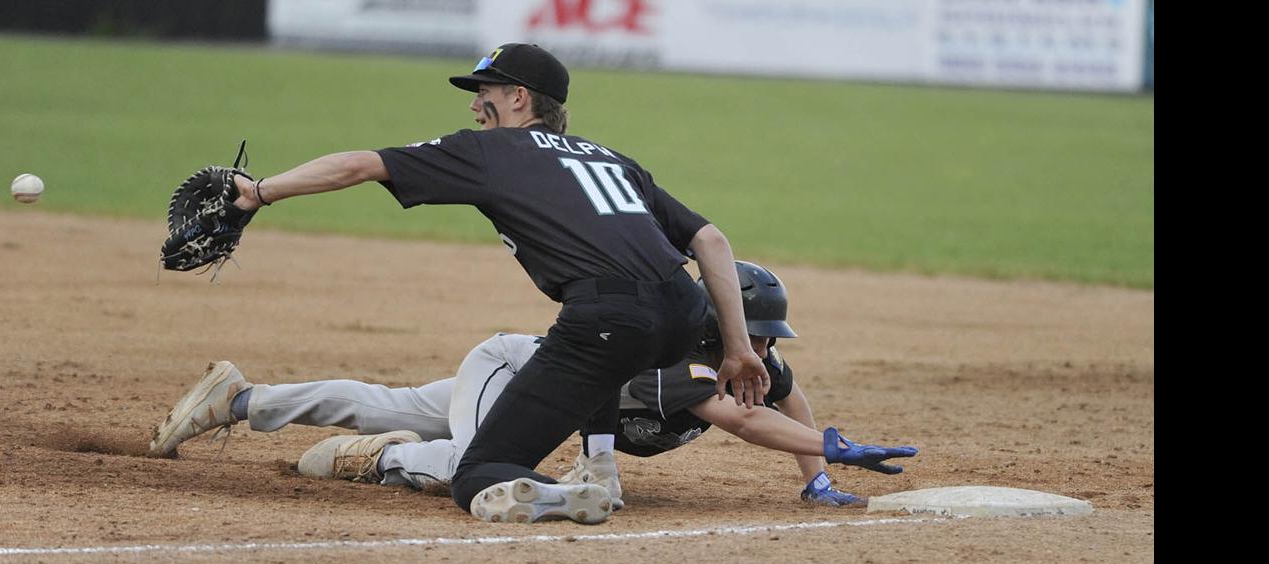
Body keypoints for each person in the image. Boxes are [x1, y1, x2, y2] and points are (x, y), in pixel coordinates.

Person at [151, 43, 771, 525]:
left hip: (606, 318)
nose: (476, 106)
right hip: (682, 315)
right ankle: (600, 468)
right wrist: (739, 349)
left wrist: (258, 193)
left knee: (477, 474)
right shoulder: (612, 159)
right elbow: (711, 241)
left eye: (486, 92)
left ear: (520, 98)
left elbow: (360, 165)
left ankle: (562, 494)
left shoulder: (488, 152)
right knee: (610, 357)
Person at [149, 262, 919, 515]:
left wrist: (817, 475)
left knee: (388, 402)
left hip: (542, 380)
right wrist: (830, 448)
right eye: (757, 336)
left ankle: (241, 399)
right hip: (515, 367)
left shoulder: (747, 362)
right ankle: (379, 459)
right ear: (719, 327)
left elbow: (785, 398)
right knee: (476, 467)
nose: (766, 353)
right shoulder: (679, 359)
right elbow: (745, 424)